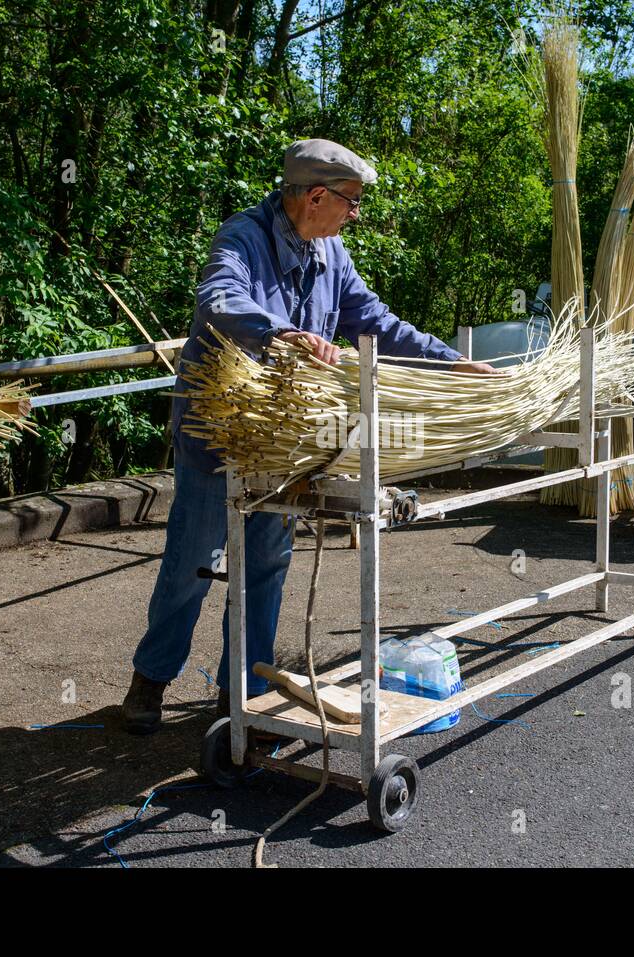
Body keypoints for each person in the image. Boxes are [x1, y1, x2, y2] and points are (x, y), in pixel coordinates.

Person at [122, 138, 498, 734]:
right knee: (195, 561)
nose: (355, 214)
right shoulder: (243, 237)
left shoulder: (332, 256)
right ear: (316, 196)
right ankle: (150, 680)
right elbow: (219, 297)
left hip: (285, 443)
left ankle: (239, 700)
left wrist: (450, 364)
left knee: (267, 562)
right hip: (216, 436)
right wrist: (280, 333)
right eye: (350, 203)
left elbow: (376, 322)